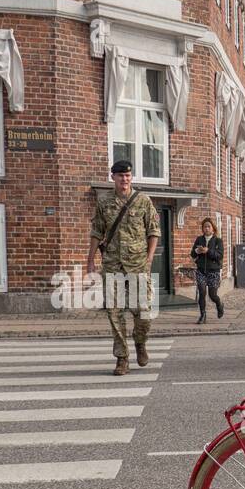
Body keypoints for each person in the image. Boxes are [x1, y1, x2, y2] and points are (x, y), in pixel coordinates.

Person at [86, 160, 159, 376]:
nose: (124, 180)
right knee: (114, 313)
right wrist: (90, 260)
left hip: (137, 265)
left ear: (131, 177)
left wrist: (149, 259)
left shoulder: (143, 201)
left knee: (143, 313)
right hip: (112, 265)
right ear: (113, 178)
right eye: (120, 176)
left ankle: (140, 343)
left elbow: (154, 231)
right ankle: (122, 358)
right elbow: (97, 232)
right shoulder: (104, 203)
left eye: (127, 176)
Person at [191, 217, 225, 323]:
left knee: (212, 294)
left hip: (213, 271)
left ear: (213, 228)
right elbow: (192, 254)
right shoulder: (199, 239)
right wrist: (197, 251)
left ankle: (219, 304)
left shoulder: (218, 241)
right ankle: (203, 315)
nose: (206, 228)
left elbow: (220, 255)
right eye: (204, 227)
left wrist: (208, 251)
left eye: (208, 226)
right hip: (201, 270)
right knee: (202, 292)